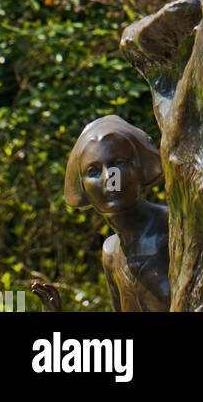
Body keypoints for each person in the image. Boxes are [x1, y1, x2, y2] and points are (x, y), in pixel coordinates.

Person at [64, 115, 170, 312]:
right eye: (93, 171)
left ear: (139, 165)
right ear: (82, 185)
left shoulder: (171, 227)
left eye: (118, 163)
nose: (109, 178)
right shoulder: (111, 253)